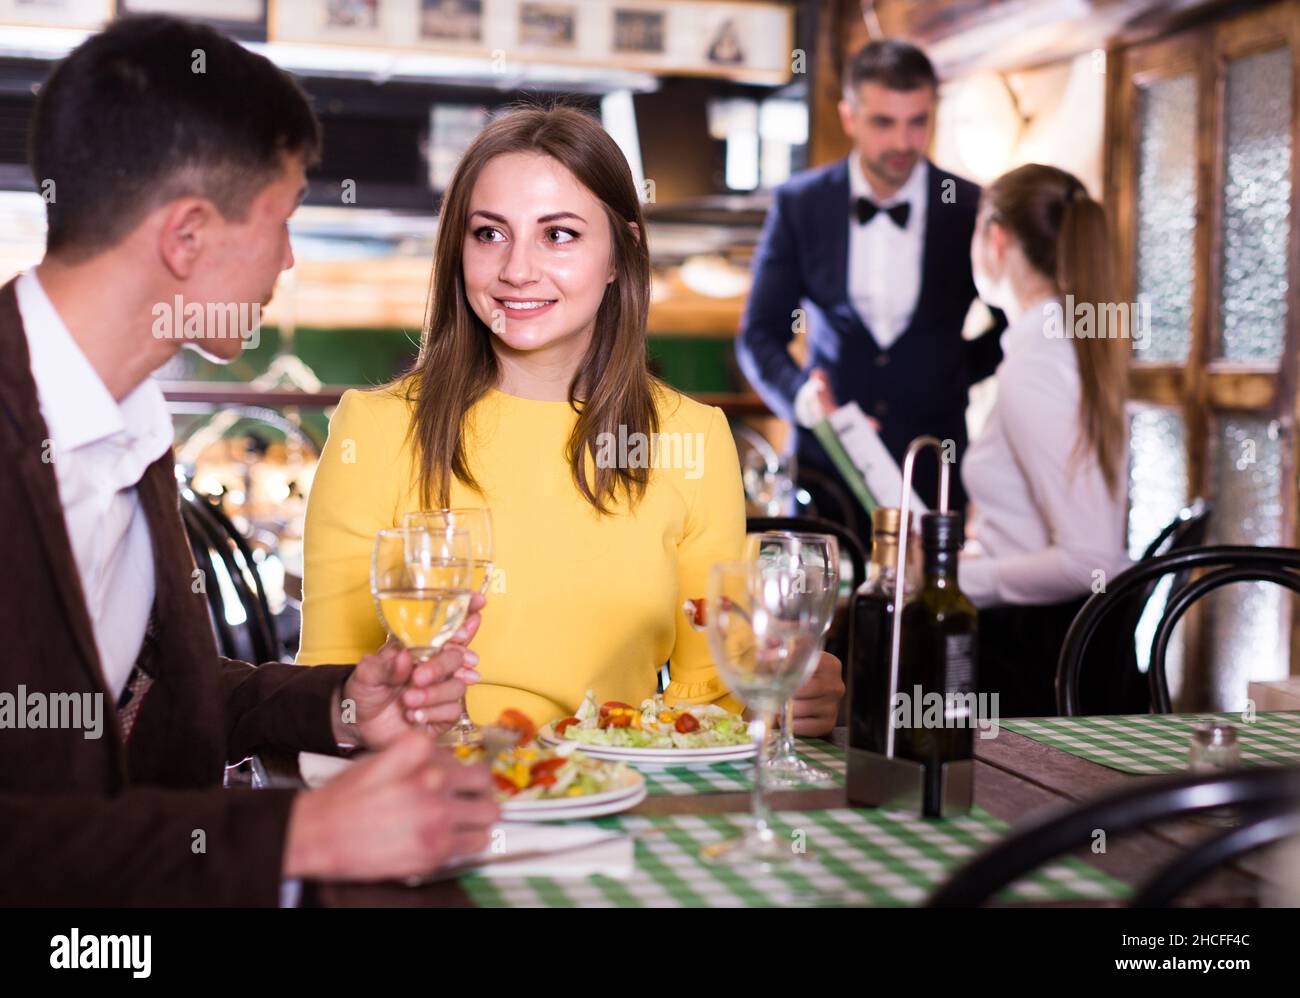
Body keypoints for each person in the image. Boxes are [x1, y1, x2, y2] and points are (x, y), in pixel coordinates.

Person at [0, 15, 498, 906]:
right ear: (187, 237)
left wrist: (344, 705)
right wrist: (298, 834)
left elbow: (155, 700)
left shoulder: (127, 419)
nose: (290, 261)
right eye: (283, 219)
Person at [297, 104, 845, 736]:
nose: (517, 269)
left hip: (622, 794)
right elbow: (329, 688)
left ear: (621, 253)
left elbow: (708, 699)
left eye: (558, 234)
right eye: (489, 233)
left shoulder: (692, 439)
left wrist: (781, 699)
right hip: (432, 790)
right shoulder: (376, 429)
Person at [736, 39, 1004, 521]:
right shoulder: (801, 204)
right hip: (827, 469)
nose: (903, 143)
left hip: (934, 465)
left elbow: (1011, 323)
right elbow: (758, 334)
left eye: (917, 121)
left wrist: (953, 373)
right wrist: (802, 398)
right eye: (884, 122)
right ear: (849, 117)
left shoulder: (969, 207)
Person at [960, 163, 1132, 717]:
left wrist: (957, 578)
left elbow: (1089, 558)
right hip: (1043, 639)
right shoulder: (1060, 341)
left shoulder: (1036, 362)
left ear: (996, 238)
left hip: (1031, 658)